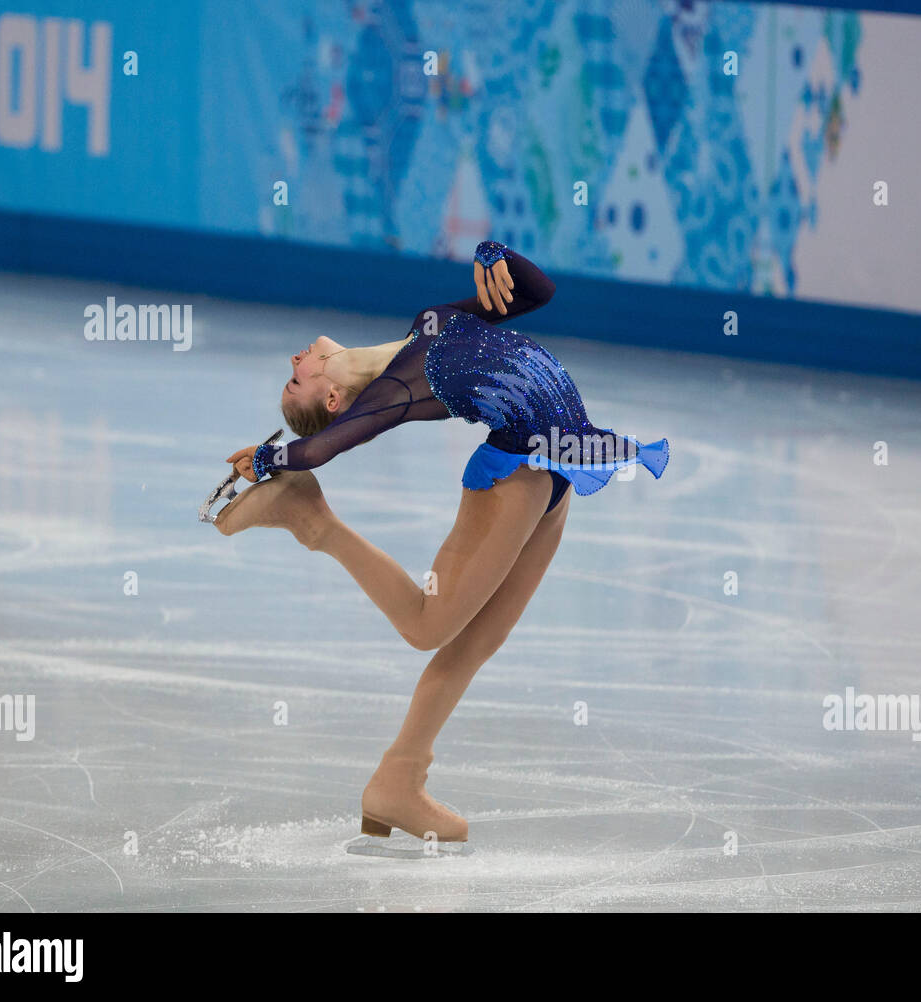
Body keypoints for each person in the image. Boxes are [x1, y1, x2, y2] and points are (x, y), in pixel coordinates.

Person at [217, 241, 668, 847]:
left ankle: (398, 781)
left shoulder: (427, 325)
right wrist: (275, 457)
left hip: (556, 466)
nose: (296, 356)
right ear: (330, 398)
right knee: (430, 627)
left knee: (480, 638)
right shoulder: (393, 389)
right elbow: (327, 446)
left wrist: (494, 256)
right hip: (515, 473)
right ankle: (313, 520)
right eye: (293, 377)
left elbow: (538, 294)